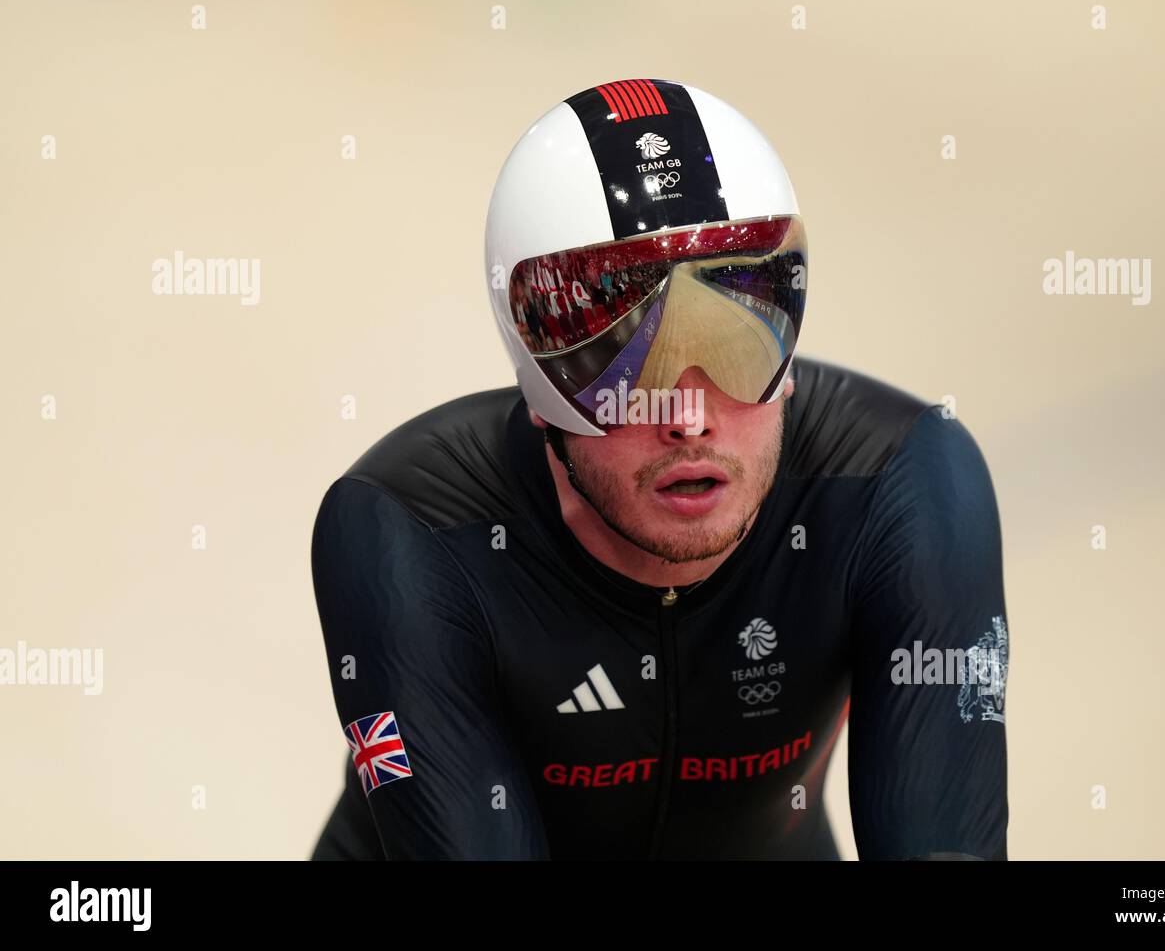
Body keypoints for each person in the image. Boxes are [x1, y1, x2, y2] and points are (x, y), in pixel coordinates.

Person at [309, 78, 1010, 860]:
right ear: (538, 387)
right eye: (625, 358)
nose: (686, 416)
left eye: (740, 335)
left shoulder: (897, 482)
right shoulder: (416, 528)